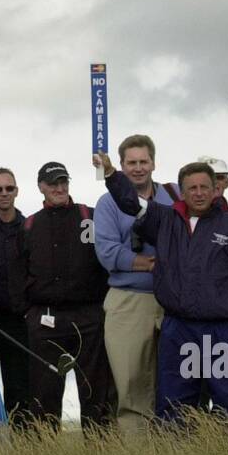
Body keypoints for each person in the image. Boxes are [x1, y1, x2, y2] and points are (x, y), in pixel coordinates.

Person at [98, 154, 228, 418]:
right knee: (174, 403)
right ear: (182, 192)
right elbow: (130, 201)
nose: (199, 193)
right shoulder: (164, 220)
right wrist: (111, 174)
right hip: (177, 328)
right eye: (192, 188)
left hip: (222, 329)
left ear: (215, 190)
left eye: (205, 187)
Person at [13, 162, 113, 430]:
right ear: (41, 187)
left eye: (63, 182)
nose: (59, 188)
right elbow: (18, 272)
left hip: (89, 317)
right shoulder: (29, 225)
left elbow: (108, 260)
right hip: (46, 319)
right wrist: (29, 312)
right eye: (53, 183)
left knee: (94, 390)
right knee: (44, 393)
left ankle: (101, 454)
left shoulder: (90, 217)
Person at [94, 134, 170, 433]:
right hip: (127, 299)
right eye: (131, 163)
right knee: (130, 382)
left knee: (174, 378)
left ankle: (178, 452)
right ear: (121, 166)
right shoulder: (107, 202)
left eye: (143, 161)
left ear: (153, 162)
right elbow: (108, 252)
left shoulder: (172, 197)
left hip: (170, 299)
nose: (138, 168)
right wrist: (154, 264)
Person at [0, 167, 30, 422]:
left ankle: (22, 452)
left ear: (17, 191)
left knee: (20, 390)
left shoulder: (30, 227)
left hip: (20, 322)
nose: (4, 194)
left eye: (9, 188)